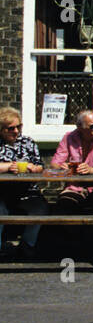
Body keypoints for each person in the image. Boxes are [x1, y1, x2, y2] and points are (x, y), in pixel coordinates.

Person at [0, 107, 48, 257]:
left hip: (26, 190)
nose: (16, 131)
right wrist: (8, 166)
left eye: (18, 126)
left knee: (40, 210)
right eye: (11, 128)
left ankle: (27, 245)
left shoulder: (27, 142)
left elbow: (40, 166)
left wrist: (33, 168)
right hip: (2, 191)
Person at [50, 110, 93, 210]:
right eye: (92, 126)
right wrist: (61, 167)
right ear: (79, 127)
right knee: (64, 206)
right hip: (75, 187)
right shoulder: (69, 137)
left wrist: (92, 170)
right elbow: (54, 164)